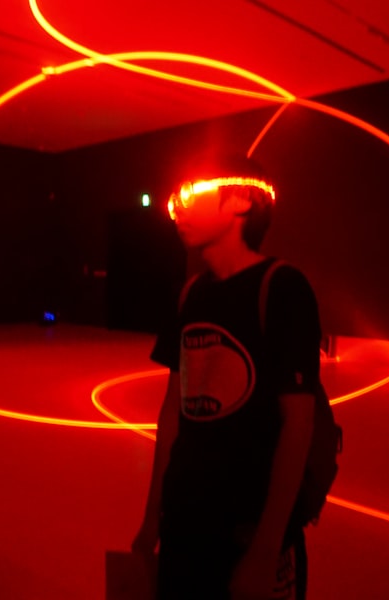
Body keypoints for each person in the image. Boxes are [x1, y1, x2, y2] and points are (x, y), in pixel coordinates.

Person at [132, 154, 324, 600]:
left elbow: (298, 423)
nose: (178, 209)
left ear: (240, 201)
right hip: (185, 522)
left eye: (191, 193)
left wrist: (267, 548)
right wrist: (152, 518)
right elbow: (173, 413)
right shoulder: (189, 294)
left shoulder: (283, 287)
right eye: (175, 199)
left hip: (248, 527)